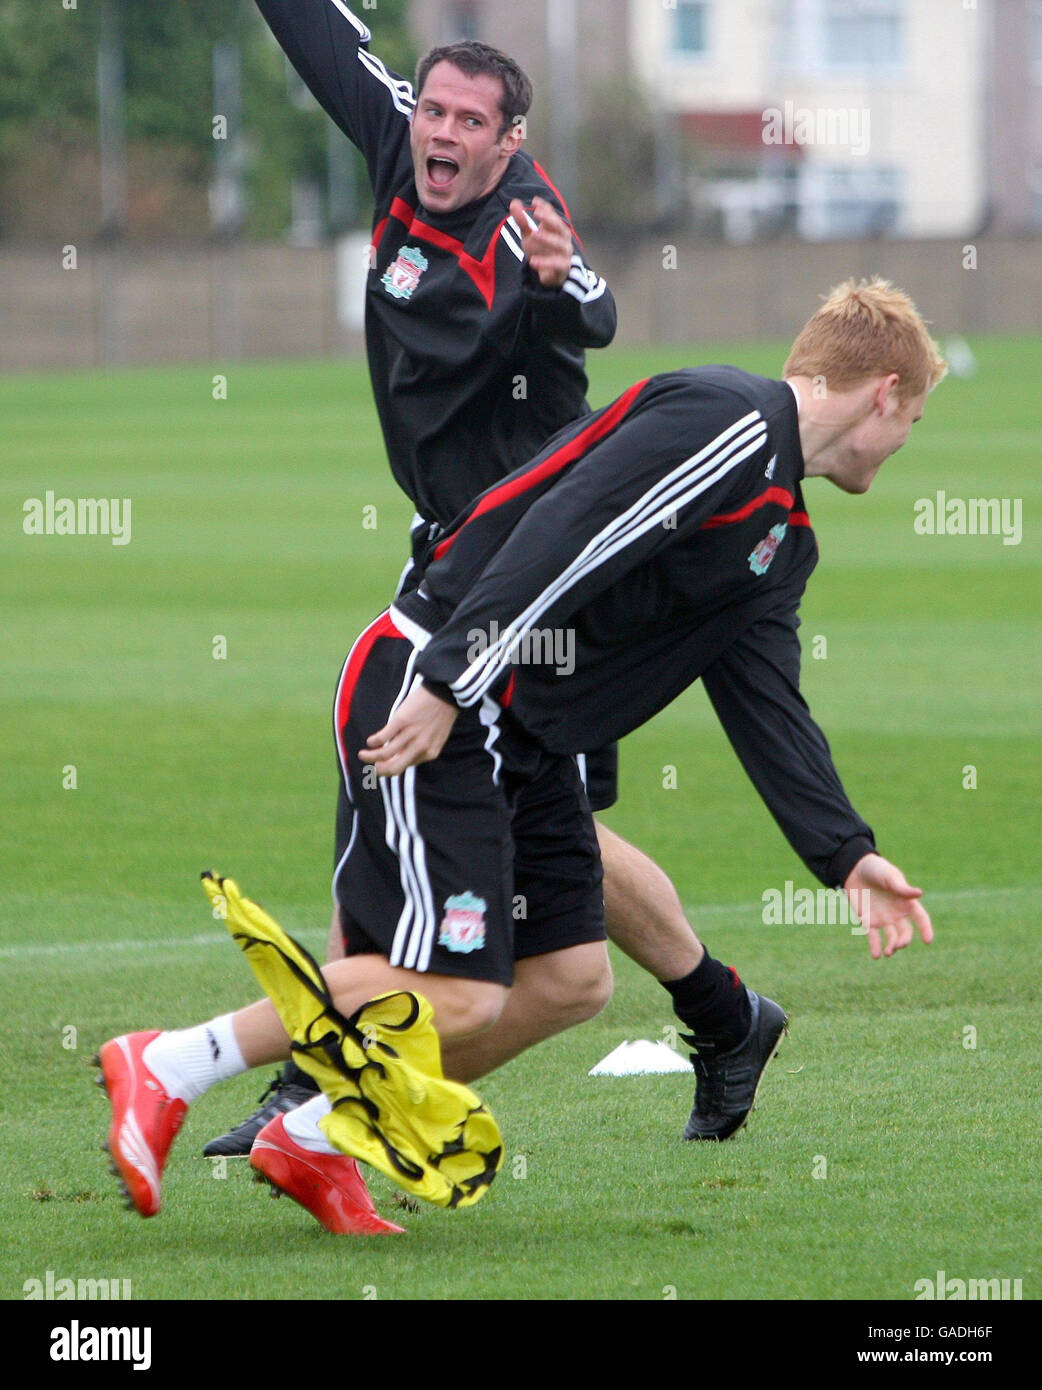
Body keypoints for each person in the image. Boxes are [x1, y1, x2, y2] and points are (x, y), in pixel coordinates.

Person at [99, 278, 941, 1237]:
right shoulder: (731, 421)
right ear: (882, 392)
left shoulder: (781, 539)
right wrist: (451, 676)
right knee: (452, 989)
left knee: (572, 980)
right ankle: (167, 1064)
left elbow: (767, 704)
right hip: (442, 692)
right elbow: (569, 530)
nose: (906, 441)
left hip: (521, 733)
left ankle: (321, 1135)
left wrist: (845, 850)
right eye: (912, 418)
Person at [207, 0, 723, 1155]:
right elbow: (321, 39)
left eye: (467, 122)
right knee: (456, 809)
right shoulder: (402, 144)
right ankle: (719, 1009)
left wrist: (561, 282)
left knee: (521, 822)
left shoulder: (523, 220)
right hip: (451, 549)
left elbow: (591, 309)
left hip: (539, 581)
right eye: (432, 109)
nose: (440, 132)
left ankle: (321, 1077)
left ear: (506, 142)